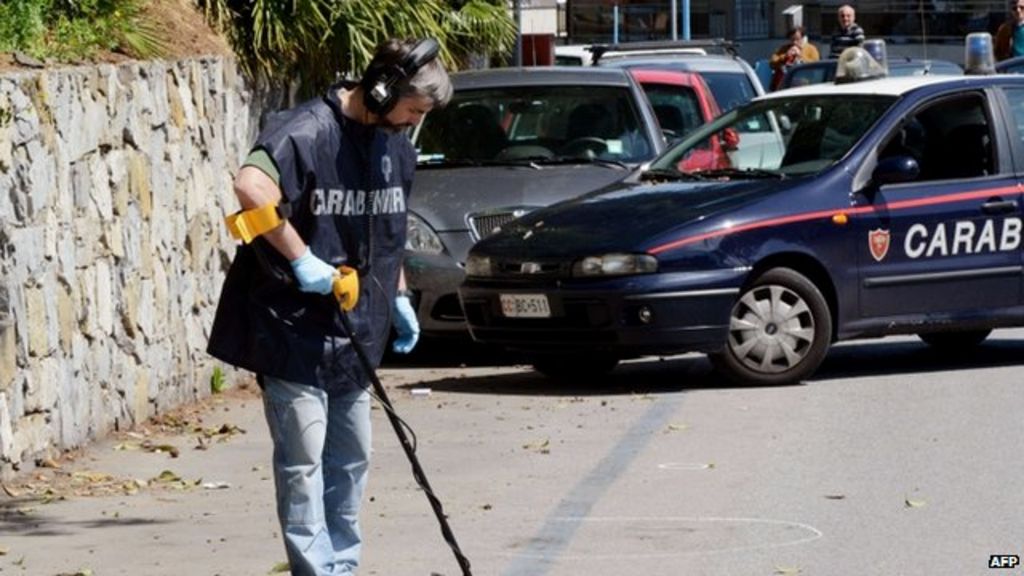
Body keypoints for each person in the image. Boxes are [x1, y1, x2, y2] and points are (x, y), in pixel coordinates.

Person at [207, 39, 452, 575]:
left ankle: (343, 564)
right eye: (412, 110)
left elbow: (390, 229)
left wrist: (402, 294)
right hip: (293, 328)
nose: (413, 123)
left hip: (356, 333)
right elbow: (251, 187)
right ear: (384, 90)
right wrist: (301, 259)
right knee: (302, 462)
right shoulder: (305, 131)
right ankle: (316, 571)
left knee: (352, 458)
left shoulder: (394, 147)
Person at [769, 25, 820, 90]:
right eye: (792, 39)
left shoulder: (811, 49)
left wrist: (800, 56)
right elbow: (772, 64)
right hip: (784, 85)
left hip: (804, 85)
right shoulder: (784, 49)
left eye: (797, 39)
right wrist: (785, 56)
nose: (794, 42)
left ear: (802, 38)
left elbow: (816, 65)